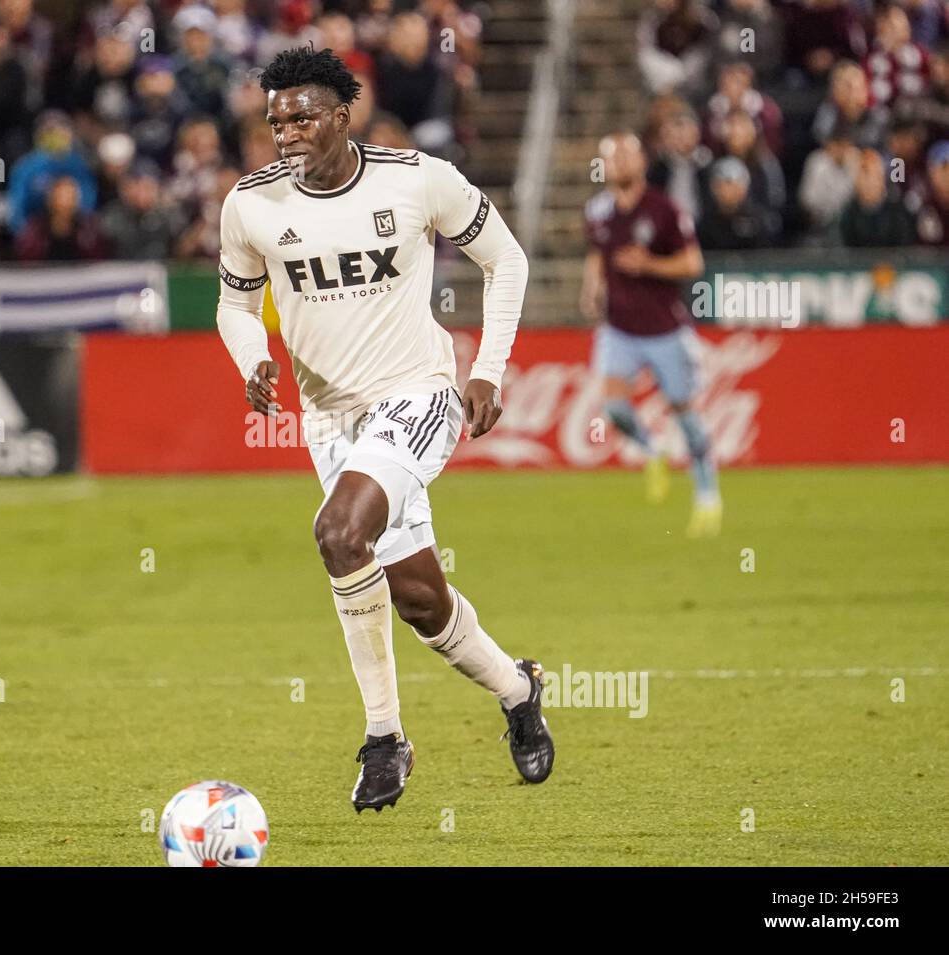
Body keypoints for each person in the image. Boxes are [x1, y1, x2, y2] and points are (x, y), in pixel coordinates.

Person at [214, 47, 549, 813]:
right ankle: (517, 688)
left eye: (301, 114)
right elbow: (235, 304)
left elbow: (506, 259)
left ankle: (383, 738)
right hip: (330, 420)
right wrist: (251, 357)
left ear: (341, 113)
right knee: (420, 602)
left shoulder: (416, 178)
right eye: (275, 119)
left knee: (337, 533)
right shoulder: (251, 204)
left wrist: (488, 369)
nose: (286, 129)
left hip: (418, 393)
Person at [580, 132, 722, 538]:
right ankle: (652, 450)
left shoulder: (663, 210)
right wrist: (591, 289)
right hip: (619, 328)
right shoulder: (598, 211)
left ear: (641, 162)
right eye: (611, 156)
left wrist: (649, 265)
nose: (619, 163)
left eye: (627, 155)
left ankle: (707, 494)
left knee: (684, 411)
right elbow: (597, 255)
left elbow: (693, 262)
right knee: (614, 408)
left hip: (664, 329)